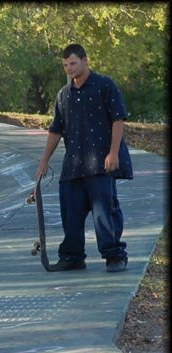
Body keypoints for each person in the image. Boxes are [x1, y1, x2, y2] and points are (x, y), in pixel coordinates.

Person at [34, 43, 132, 272]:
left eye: (73, 63)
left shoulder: (104, 85)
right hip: (74, 164)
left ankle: (114, 256)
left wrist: (113, 153)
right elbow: (56, 129)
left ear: (85, 60)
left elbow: (118, 119)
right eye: (65, 65)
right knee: (71, 211)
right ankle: (73, 257)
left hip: (101, 162)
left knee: (104, 212)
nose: (69, 68)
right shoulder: (63, 94)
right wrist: (44, 161)